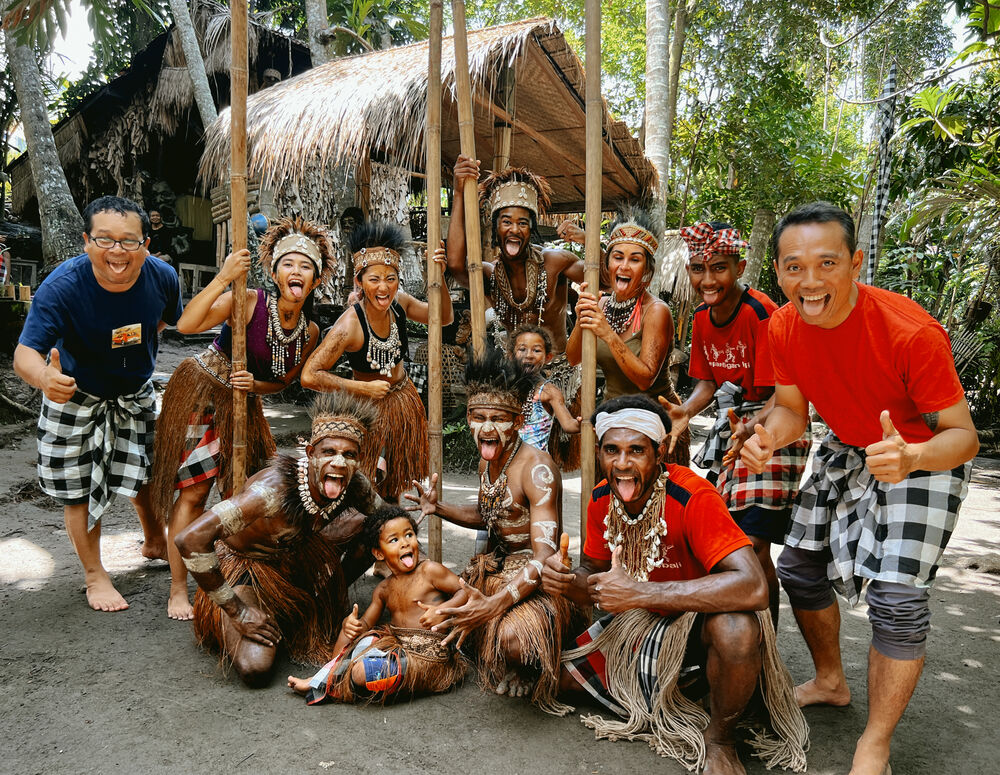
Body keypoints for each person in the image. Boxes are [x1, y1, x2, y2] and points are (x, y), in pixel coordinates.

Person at [739, 202, 979, 775]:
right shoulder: (781, 325)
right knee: (797, 566)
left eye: (827, 263)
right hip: (848, 448)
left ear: (856, 262)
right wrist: (768, 438)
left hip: (923, 455)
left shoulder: (911, 332)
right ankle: (830, 680)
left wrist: (913, 454)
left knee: (896, 600)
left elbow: (963, 437)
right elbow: (792, 412)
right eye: (794, 267)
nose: (811, 281)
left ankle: (875, 741)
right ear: (777, 271)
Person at [541, 394, 809, 775]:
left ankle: (720, 739)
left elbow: (753, 587)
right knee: (558, 681)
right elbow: (593, 577)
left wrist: (641, 593)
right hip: (646, 623)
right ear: (599, 452)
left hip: (701, 625)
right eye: (611, 450)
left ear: (660, 450)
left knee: (736, 630)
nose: (621, 464)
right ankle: (684, 693)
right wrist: (568, 581)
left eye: (636, 450)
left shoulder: (693, 496)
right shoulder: (602, 498)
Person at [150, 216, 333, 620]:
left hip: (243, 402)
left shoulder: (310, 331)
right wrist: (224, 278)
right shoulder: (248, 299)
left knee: (246, 488)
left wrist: (253, 386)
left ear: (316, 281)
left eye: (306, 266)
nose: (297, 271)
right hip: (203, 391)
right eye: (289, 264)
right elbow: (187, 323)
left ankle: (241, 569)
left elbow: (284, 381)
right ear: (274, 271)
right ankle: (178, 589)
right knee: (195, 491)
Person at [14, 195, 182, 612]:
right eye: (105, 240)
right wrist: (44, 379)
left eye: (129, 242)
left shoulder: (162, 276)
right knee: (79, 492)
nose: (118, 252)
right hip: (74, 396)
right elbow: (25, 354)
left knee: (143, 473)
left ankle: (154, 539)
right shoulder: (62, 286)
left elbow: (167, 320)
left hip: (134, 393)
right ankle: (94, 576)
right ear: (86, 241)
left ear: (146, 243)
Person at [407, 348, 583, 715]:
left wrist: (492, 606)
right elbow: (490, 514)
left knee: (514, 642)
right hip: (496, 571)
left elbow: (545, 558)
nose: (486, 428)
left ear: (518, 422)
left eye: (497, 419)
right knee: (426, 616)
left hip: (539, 580)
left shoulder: (537, 470)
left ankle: (528, 661)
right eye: (477, 417)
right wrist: (438, 508)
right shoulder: (488, 459)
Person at [174, 393, 384, 687]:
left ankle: (316, 601)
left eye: (349, 455)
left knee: (374, 529)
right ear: (310, 452)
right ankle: (262, 611)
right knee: (255, 668)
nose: (339, 462)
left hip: (296, 554)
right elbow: (190, 539)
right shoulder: (269, 494)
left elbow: (389, 522)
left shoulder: (354, 483)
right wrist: (238, 611)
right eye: (329, 452)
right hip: (249, 567)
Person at [661, 220, 811, 623]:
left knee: (752, 543)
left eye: (719, 268)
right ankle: (749, 639)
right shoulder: (701, 318)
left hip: (778, 423)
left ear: (739, 267)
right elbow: (708, 382)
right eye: (698, 269)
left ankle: (764, 648)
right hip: (737, 424)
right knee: (725, 538)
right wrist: (685, 411)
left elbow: (780, 393)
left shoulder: (760, 311)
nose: (707, 279)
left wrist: (750, 425)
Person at [446, 157, 585, 468]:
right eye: (506, 221)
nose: (514, 229)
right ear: (495, 227)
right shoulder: (490, 275)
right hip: (513, 382)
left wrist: (587, 240)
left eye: (523, 222)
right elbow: (456, 265)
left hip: (559, 376)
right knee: (509, 465)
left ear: (531, 229)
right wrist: (457, 192)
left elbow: (603, 277)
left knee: (547, 469)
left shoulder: (556, 262)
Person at [301, 221, 452, 503]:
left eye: (390, 278)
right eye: (374, 279)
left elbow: (442, 318)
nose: (384, 287)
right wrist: (362, 389)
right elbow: (310, 375)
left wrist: (440, 276)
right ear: (359, 281)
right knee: (367, 485)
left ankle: (391, 537)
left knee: (393, 486)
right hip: (367, 411)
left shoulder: (401, 304)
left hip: (402, 403)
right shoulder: (349, 325)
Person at [287, 504, 468, 704]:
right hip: (400, 648)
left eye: (409, 535)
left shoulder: (429, 571)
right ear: (379, 554)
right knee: (357, 637)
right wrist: (350, 626)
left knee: (361, 673)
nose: (405, 544)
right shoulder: (383, 590)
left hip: (430, 659)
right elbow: (365, 625)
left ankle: (332, 682)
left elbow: (465, 591)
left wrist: (441, 610)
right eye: (394, 540)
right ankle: (326, 679)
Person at [565, 206, 690, 464]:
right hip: (612, 422)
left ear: (646, 270)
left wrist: (608, 334)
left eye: (635, 259)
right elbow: (573, 358)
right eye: (618, 257)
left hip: (656, 425)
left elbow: (645, 379)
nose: (624, 265)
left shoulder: (656, 311)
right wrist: (582, 318)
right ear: (608, 262)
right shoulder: (601, 305)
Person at [510, 323, 580, 450]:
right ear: (511, 355)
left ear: (547, 358)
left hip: (535, 462)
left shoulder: (549, 392)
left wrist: (582, 423)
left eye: (536, 350)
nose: (529, 355)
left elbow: (569, 425)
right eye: (522, 349)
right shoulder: (504, 389)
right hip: (506, 462)